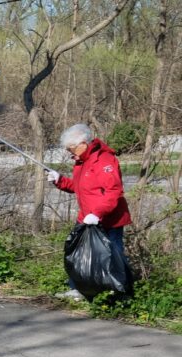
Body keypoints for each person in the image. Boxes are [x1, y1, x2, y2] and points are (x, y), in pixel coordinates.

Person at [45, 123, 132, 301]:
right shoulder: (81, 162)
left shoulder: (105, 160)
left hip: (110, 220)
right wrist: (60, 180)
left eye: (71, 148)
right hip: (86, 218)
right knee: (79, 254)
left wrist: (97, 213)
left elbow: (113, 191)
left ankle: (120, 295)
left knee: (113, 257)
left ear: (83, 143)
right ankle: (79, 289)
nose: (70, 152)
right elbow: (80, 188)